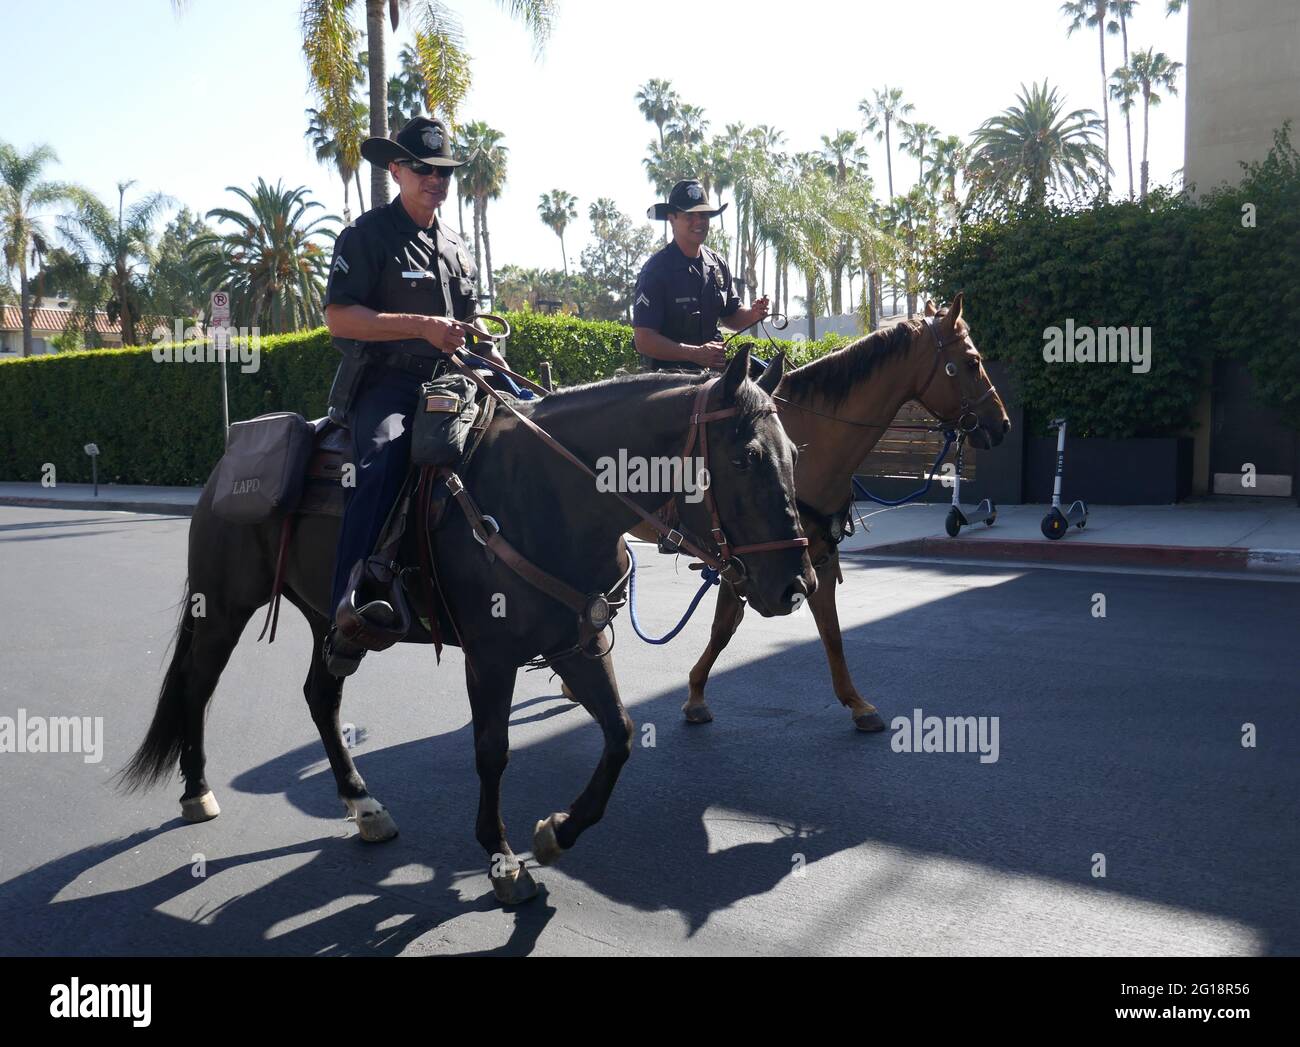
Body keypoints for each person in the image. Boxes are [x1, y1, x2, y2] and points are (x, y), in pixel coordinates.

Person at [321, 115, 507, 677]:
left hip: (456, 379)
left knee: (523, 441)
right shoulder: (366, 236)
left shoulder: (455, 244)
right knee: (380, 464)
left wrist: (487, 351)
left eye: (444, 170)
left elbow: (468, 320)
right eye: (423, 169)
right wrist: (422, 325)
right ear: (396, 169)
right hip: (390, 385)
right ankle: (347, 607)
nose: (436, 179)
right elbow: (338, 318)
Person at [632, 179, 771, 372]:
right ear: (672, 219)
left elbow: (731, 316)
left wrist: (753, 314)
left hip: (714, 377)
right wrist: (694, 354)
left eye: (703, 215)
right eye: (690, 215)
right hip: (668, 383)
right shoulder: (656, 271)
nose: (699, 222)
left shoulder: (717, 264)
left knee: (770, 380)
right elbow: (644, 340)